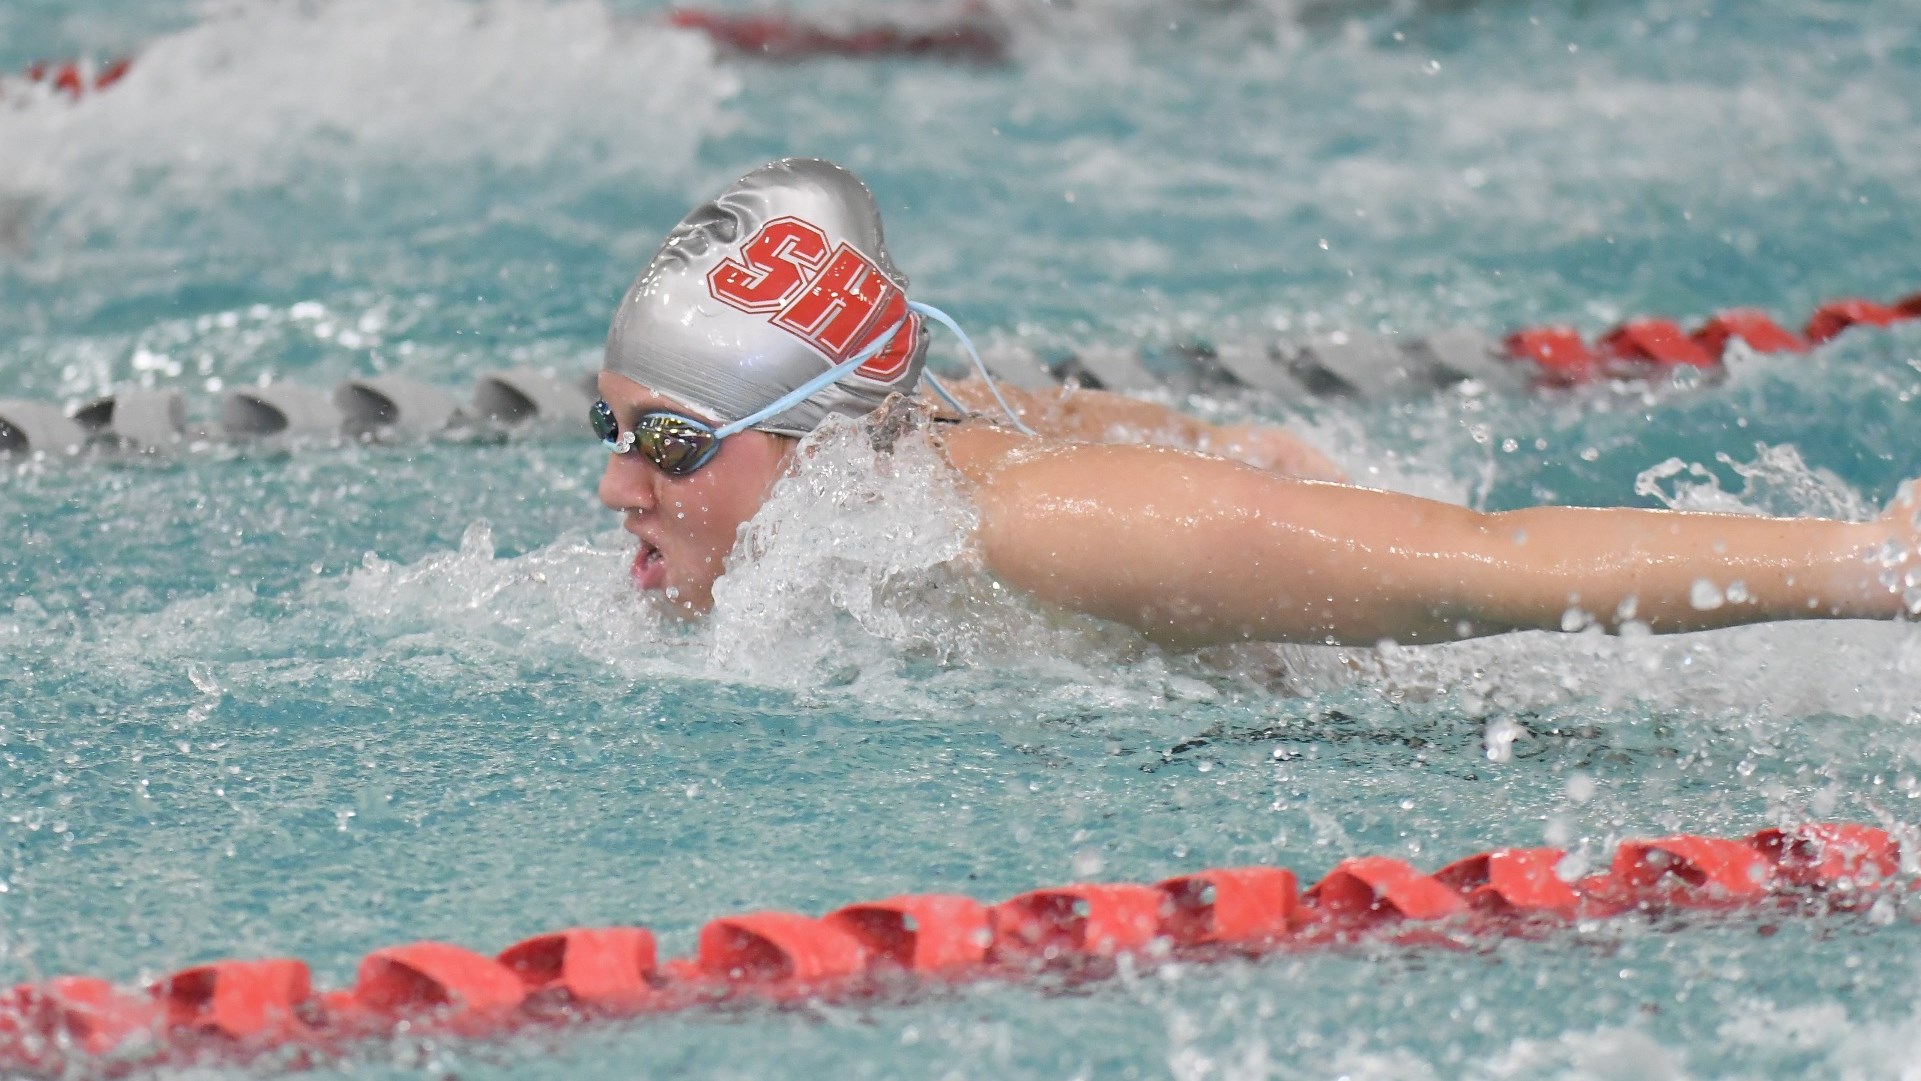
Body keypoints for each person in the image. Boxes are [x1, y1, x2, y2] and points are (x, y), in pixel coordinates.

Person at [597, 158, 1921, 650]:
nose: (617, 485)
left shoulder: (1044, 525)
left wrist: (1870, 564)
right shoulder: (910, 441)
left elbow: (1472, 567)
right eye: (613, 432)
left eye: (666, 442)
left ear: (816, 440)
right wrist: (1239, 452)